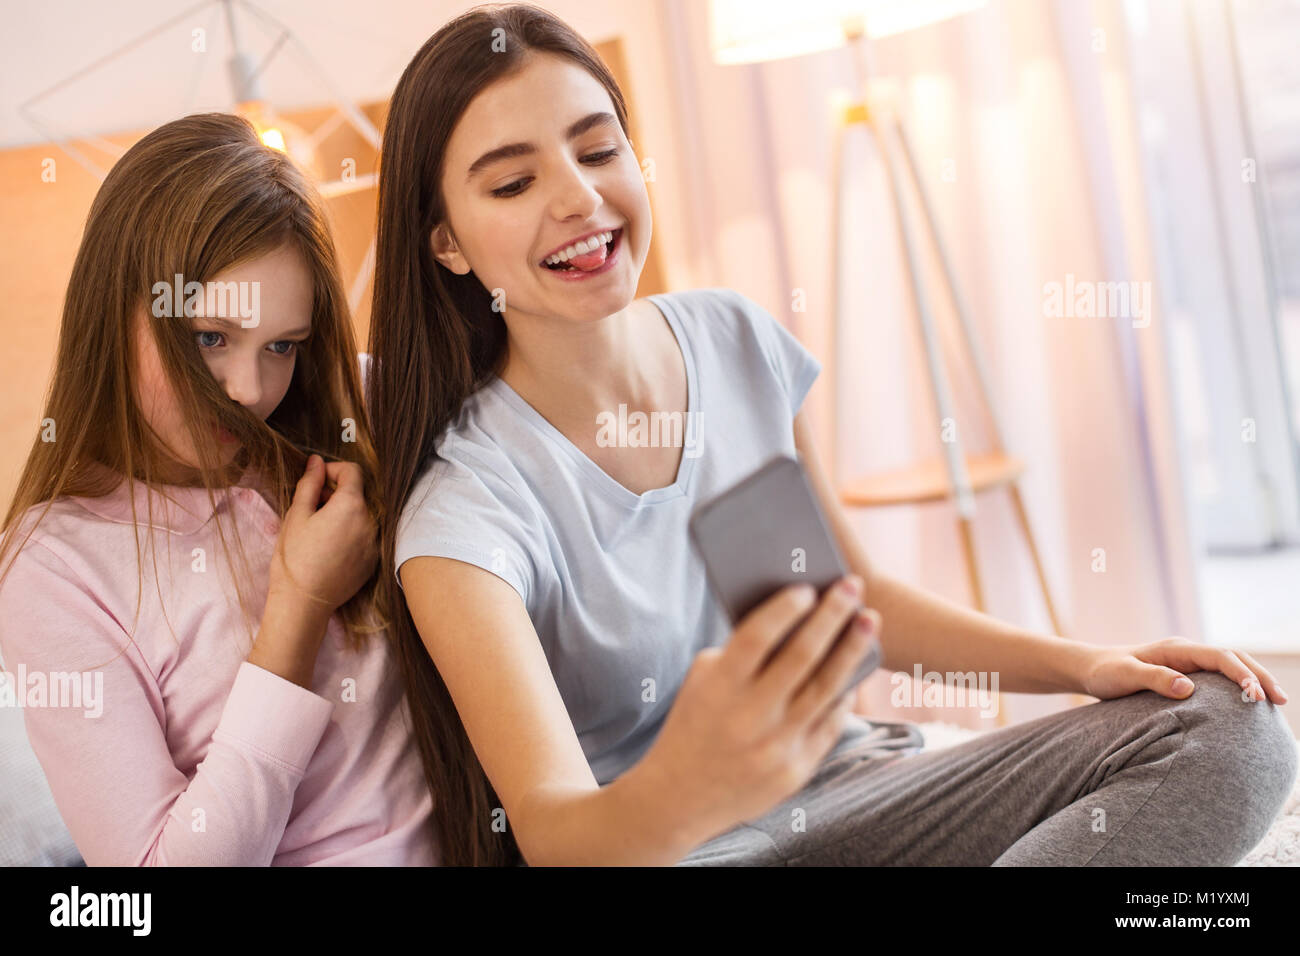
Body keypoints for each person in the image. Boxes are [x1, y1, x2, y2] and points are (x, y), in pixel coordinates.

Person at [368, 3, 1296, 867]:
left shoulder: (730, 344)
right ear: (446, 243)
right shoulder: (466, 513)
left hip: (860, 793)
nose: (577, 198)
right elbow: (557, 838)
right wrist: (686, 785)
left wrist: (1085, 663)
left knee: (1230, 727)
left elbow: (853, 607)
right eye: (515, 182)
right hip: (686, 855)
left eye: (598, 149)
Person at [0, 113, 436, 866]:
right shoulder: (50, 568)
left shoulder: (352, 416)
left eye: (281, 346)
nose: (251, 389)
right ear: (116, 312)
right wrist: (297, 609)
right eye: (210, 339)